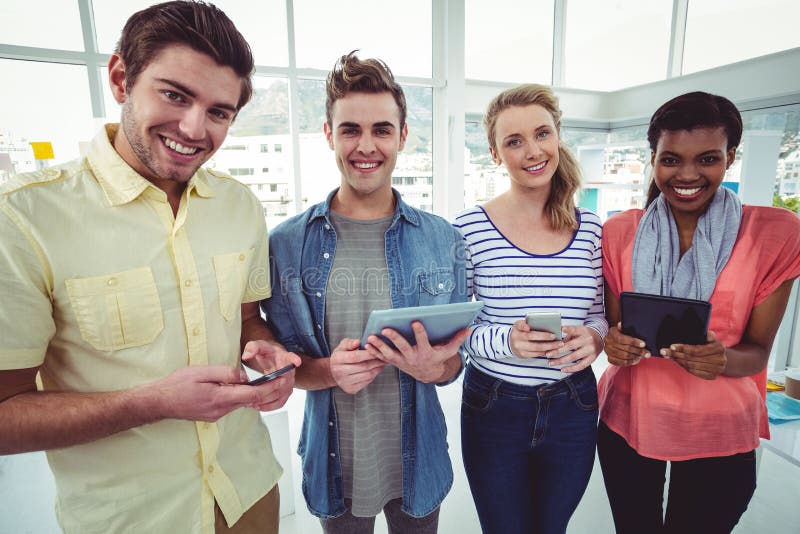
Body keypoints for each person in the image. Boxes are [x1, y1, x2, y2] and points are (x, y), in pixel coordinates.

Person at [0, 2, 301, 533]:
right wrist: (154, 403)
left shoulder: (240, 206)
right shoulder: (24, 220)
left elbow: (246, 321)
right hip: (131, 518)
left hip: (248, 492)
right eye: (174, 94)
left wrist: (266, 353)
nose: (193, 127)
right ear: (121, 78)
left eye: (218, 112)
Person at [262, 51, 468, 534]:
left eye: (381, 129)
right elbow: (286, 366)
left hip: (418, 462)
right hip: (336, 463)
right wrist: (328, 371)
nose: (366, 145)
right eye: (350, 129)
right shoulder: (287, 245)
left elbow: (455, 362)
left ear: (402, 136)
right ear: (329, 134)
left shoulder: (443, 239)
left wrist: (434, 367)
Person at [598, 91, 800, 534]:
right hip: (631, 416)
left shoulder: (774, 232)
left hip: (720, 427)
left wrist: (723, 359)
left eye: (707, 158)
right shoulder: (618, 231)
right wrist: (614, 345)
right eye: (671, 159)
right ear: (653, 158)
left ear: (730, 157)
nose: (687, 174)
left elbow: (760, 352)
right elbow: (616, 331)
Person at [453, 84, 607, 534]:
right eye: (514, 141)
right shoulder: (467, 228)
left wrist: (595, 338)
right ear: (495, 154)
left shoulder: (592, 229)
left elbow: (599, 313)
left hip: (573, 405)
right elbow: (459, 330)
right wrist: (508, 339)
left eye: (542, 134)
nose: (532, 151)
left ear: (558, 136)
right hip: (495, 406)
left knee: (552, 528)